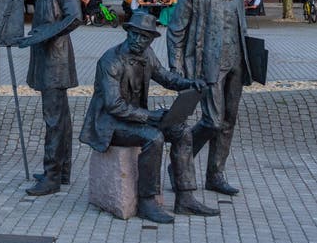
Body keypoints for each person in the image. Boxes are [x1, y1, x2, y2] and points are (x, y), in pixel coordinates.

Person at [80, 11, 219, 223]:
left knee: (183, 132)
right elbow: (113, 106)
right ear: (128, 32)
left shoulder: (147, 55)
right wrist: (150, 116)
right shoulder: (111, 60)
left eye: (144, 37)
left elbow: (166, 78)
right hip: (110, 124)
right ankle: (146, 201)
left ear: (150, 39)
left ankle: (186, 197)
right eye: (135, 34)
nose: (138, 40)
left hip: (136, 118)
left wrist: (190, 84)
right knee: (153, 138)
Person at [167, 0, 252, 196]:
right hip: (208, 64)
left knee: (228, 121)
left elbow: (242, 27)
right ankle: (179, 163)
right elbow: (176, 29)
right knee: (212, 121)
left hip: (236, 62)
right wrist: (177, 66)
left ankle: (215, 175)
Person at [18, 0, 82, 196]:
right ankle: (62, 170)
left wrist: (42, 35)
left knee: (54, 118)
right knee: (61, 118)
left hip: (56, 59)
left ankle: (52, 176)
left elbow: (74, 17)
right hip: (45, 56)